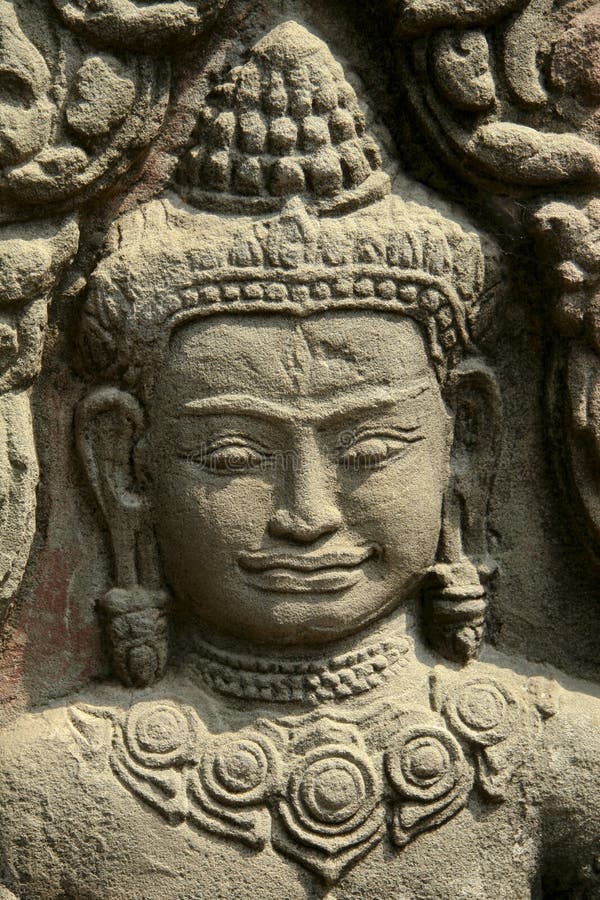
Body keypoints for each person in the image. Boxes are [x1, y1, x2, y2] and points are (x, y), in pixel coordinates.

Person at [1, 21, 600, 900]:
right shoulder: (41, 794)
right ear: (122, 463)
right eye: (236, 453)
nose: (307, 512)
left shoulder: (562, 770)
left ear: (466, 442)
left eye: (368, 447)